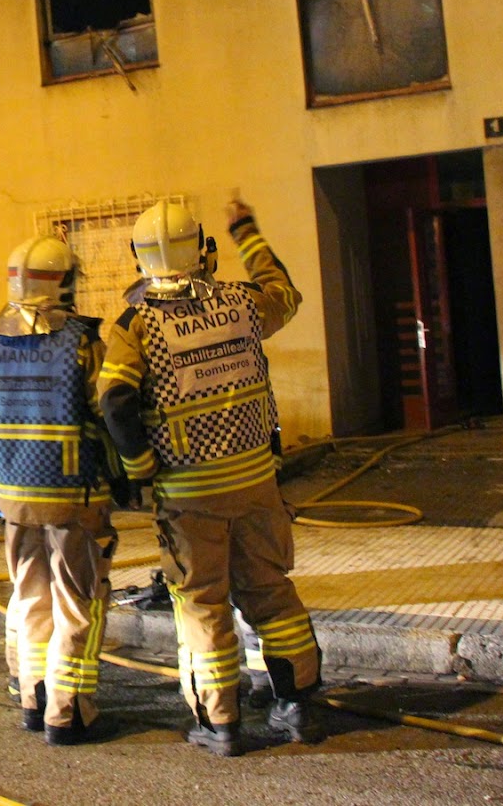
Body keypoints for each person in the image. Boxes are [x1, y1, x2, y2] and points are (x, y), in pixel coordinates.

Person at [97, 197, 322, 757]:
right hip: (256, 484)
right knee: (271, 593)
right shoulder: (244, 302)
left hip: (190, 494)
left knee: (202, 605)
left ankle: (219, 724)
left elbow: (116, 399)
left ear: (139, 257)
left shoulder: (134, 324)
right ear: (204, 250)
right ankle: (298, 707)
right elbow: (285, 291)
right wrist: (248, 229)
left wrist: (140, 469)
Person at [0, 234, 121, 747]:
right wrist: (128, 478)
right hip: (74, 497)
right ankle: (68, 713)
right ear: (63, 284)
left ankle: (32, 699)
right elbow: (106, 415)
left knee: (30, 598)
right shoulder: (81, 342)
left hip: (12, 497)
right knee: (78, 602)